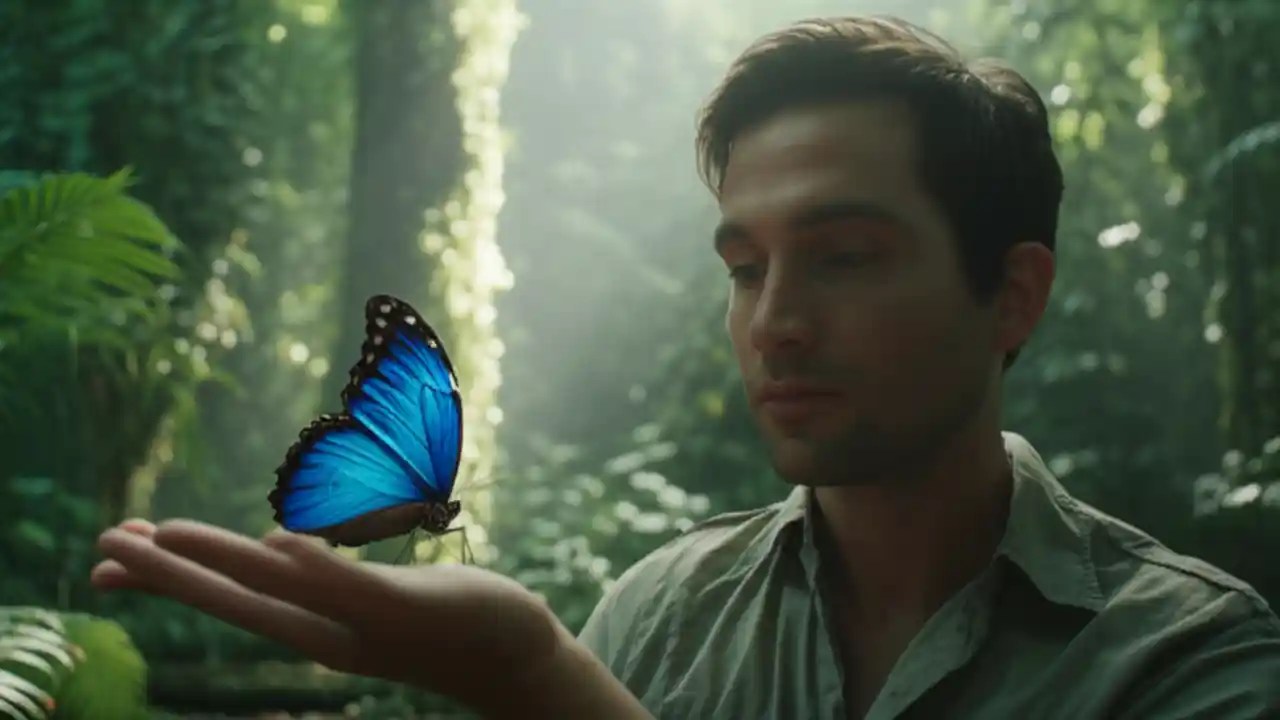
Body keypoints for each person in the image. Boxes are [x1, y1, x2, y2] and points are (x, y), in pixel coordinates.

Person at [92, 14, 1279, 720]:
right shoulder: (658, 615)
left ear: (1010, 294)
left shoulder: (1187, 663)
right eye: (742, 267)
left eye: (845, 257)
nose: (773, 322)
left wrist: (545, 686)